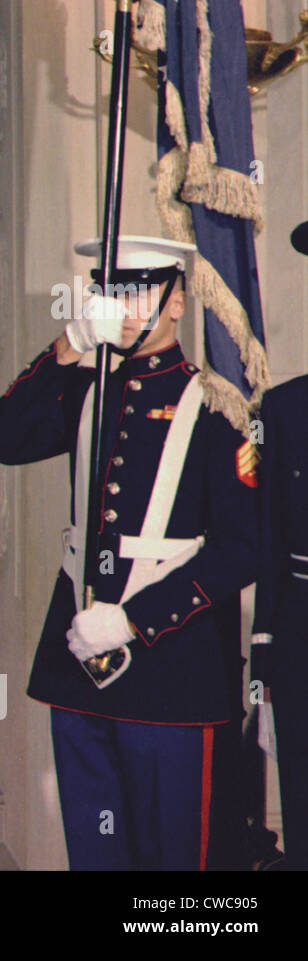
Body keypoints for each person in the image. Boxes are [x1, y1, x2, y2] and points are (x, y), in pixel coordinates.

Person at [0, 235, 258, 870]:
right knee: (96, 849)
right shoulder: (86, 387)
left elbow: (244, 548)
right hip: (77, 656)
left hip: (173, 663)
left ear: (177, 302)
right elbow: (2, 440)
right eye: (112, 294)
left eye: (140, 293)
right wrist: (70, 344)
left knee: (173, 858)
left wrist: (136, 619)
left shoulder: (219, 406)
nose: (126, 309)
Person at [250, 218, 308, 870]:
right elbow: (268, 533)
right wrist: (263, 643)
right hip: (301, 627)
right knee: (302, 780)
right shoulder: (285, 408)